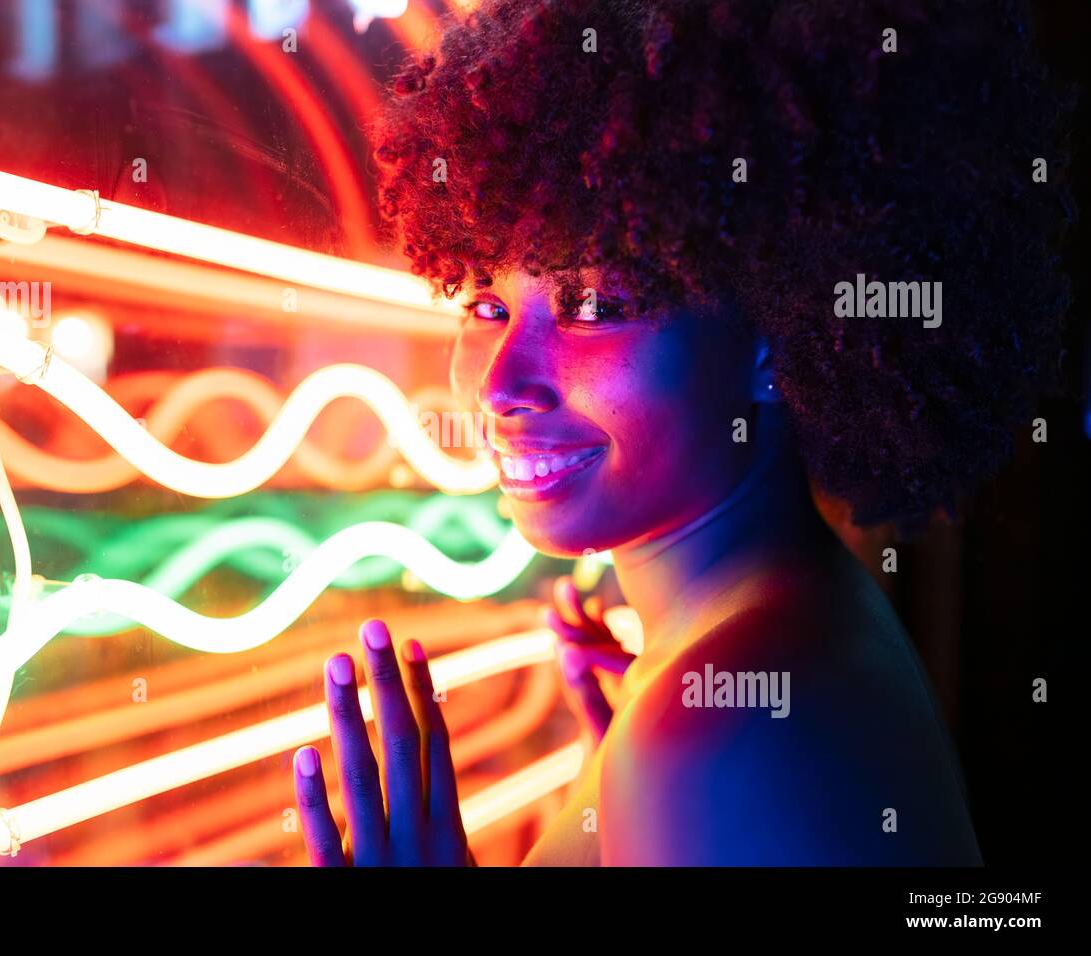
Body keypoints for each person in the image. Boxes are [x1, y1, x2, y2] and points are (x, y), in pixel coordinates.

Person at [290, 0, 1073, 865]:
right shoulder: (760, 655)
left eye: (595, 307)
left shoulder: (719, 728)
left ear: (784, 338)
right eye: (485, 302)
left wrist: (671, 767)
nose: (501, 382)